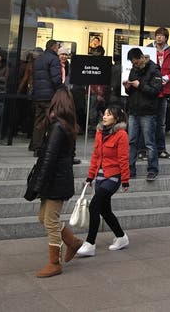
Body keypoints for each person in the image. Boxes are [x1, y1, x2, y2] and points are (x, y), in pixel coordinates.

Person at [29, 88, 82, 278]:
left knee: (50, 220)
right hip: (58, 179)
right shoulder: (65, 125)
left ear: (56, 103)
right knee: (44, 218)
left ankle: (54, 263)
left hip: (55, 181)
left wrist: (38, 185)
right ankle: (73, 242)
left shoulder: (58, 127)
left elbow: (49, 158)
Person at [76, 104, 131, 256]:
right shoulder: (100, 132)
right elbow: (96, 156)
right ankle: (121, 237)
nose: (104, 117)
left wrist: (125, 180)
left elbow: (123, 159)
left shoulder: (121, 135)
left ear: (116, 118)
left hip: (113, 177)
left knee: (94, 206)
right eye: (104, 114)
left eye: (108, 114)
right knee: (105, 210)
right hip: (100, 176)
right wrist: (90, 176)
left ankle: (90, 243)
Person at [124, 47, 162, 182]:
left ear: (141, 58)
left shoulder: (154, 69)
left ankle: (152, 170)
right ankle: (130, 170)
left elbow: (155, 91)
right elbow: (131, 92)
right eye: (132, 63)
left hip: (148, 112)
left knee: (149, 143)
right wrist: (127, 88)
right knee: (131, 142)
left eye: (136, 62)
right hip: (134, 111)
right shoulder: (134, 70)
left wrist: (139, 85)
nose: (134, 65)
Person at [148, 27, 170, 159]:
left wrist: (168, 77)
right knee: (149, 121)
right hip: (150, 90)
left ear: (166, 38)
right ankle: (146, 149)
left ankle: (161, 149)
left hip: (164, 91)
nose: (159, 37)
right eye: (157, 35)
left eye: (162, 35)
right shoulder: (148, 49)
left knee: (161, 123)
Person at [30, 40, 63, 153]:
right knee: (53, 121)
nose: (58, 49)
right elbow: (56, 78)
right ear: (54, 47)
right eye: (57, 47)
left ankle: (36, 146)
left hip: (38, 95)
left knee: (39, 121)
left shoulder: (39, 59)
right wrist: (61, 89)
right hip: (49, 95)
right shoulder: (54, 59)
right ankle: (50, 147)